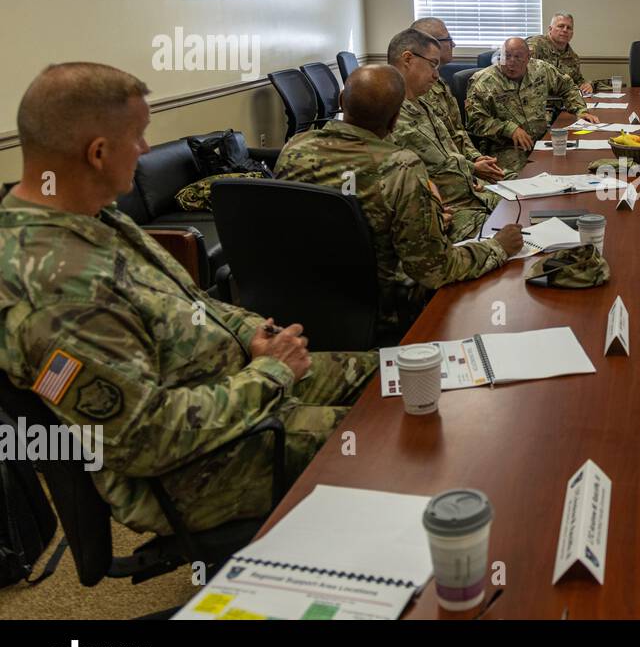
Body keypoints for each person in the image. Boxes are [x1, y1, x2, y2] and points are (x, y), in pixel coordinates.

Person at [0, 63, 376, 536]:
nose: (144, 150)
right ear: (97, 153)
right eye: (138, 137)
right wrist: (272, 373)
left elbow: (188, 299)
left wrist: (249, 331)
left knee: (390, 378)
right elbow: (147, 439)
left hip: (236, 388)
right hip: (197, 467)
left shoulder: (87, 216)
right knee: (381, 438)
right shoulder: (55, 289)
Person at [275, 64, 523, 339]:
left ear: (342, 101)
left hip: (300, 300)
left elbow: (337, 214)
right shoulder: (400, 167)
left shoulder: (294, 148)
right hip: (380, 309)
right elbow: (435, 270)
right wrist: (498, 247)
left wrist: (427, 216)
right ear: (394, 121)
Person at [386, 28, 501, 240]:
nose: (436, 74)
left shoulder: (422, 105)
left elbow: (446, 154)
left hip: (469, 197)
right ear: (408, 59)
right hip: (450, 213)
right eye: (433, 64)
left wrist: (469, 171)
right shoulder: (387, 112)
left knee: (532, 206)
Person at [465, 37, 597, 176]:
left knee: (576, 167)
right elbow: (474, 121)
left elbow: (567, 85)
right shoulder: (483, 82)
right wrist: (509, 129)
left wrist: (580, 110)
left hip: (542, 140)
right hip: (507, 148)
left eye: (518, 57)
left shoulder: (540, 69)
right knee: (520, 183)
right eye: (506, 56)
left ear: (529, 58)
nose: (511, 62)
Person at [409, 17, 503, 180]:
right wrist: (472, 169)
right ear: (430, 43)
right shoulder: (412, 91)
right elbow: (431, 153)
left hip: (463, 169)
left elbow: (457, 132)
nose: (454, 44)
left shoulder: (439, 84)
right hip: (450, 179)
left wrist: (475, 158)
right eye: (448, 39)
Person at [527, 12, 600, 95]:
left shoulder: (573, 57)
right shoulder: (535, 45)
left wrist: (587, 85)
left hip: (563, 103)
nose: (565, 30)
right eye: (561, 26)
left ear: (572, 34)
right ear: (550, 29)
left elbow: (578, 81)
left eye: (569, 28)